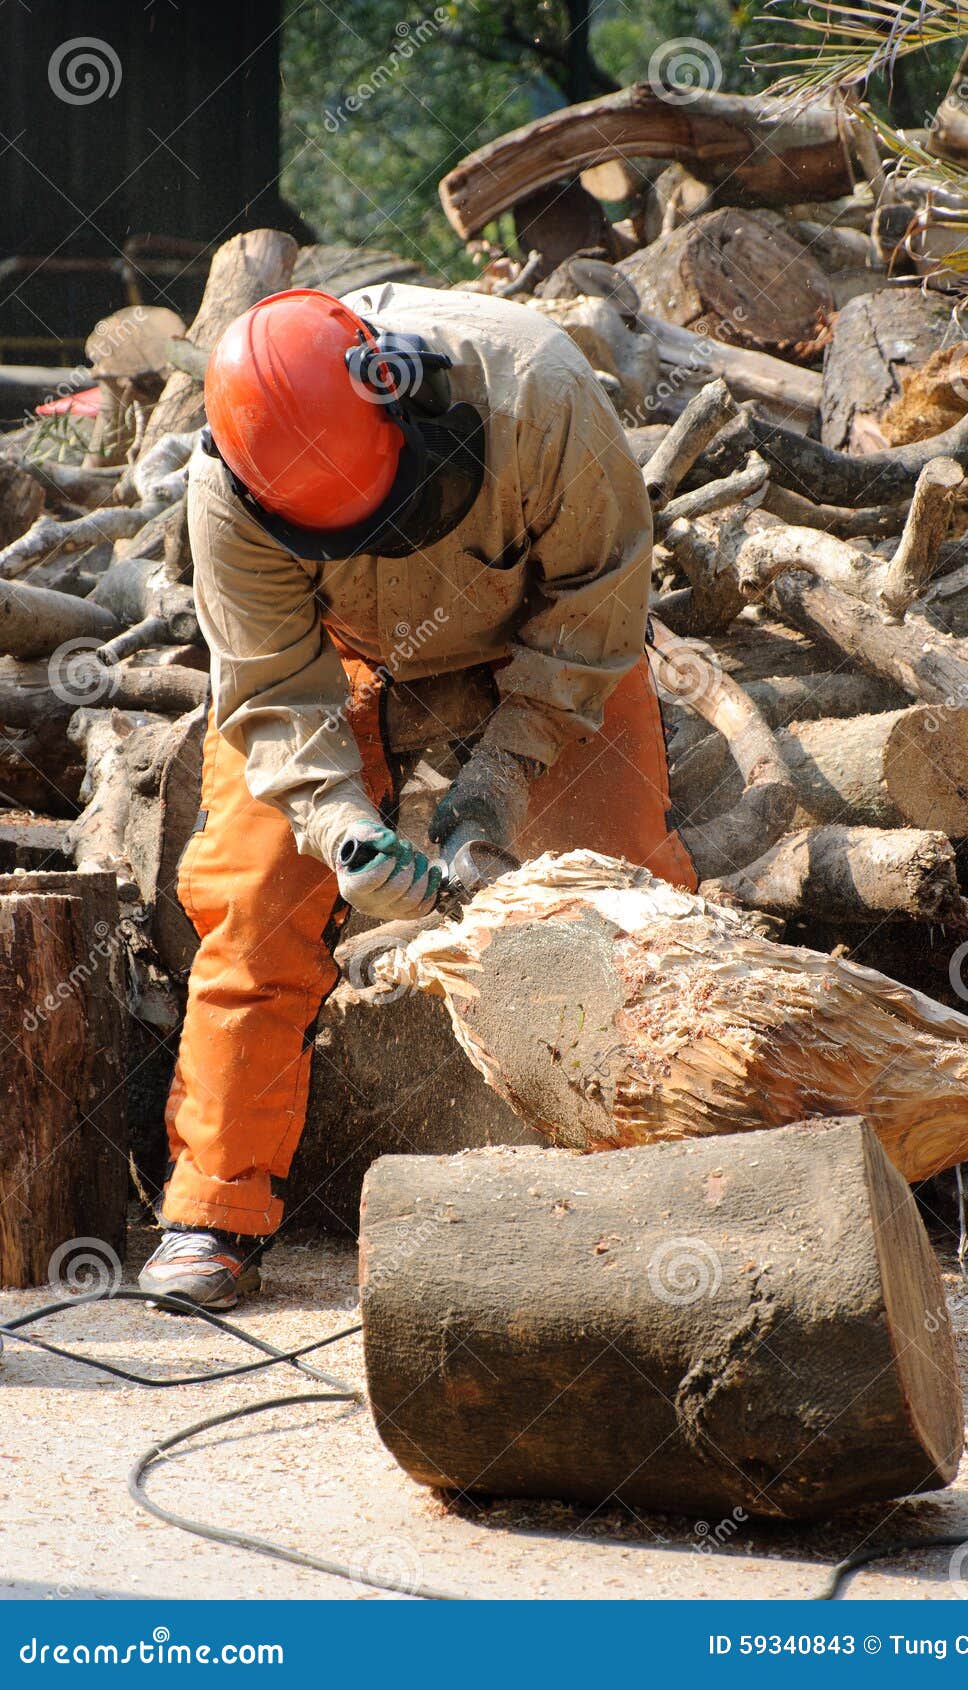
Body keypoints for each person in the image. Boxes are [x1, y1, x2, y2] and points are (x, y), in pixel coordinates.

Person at [138, 283, 697, 1309]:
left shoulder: (541, 394)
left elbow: (598, 609)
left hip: (546, 643)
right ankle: (215, 1208)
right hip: (342, 660)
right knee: (253, 894)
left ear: (404, 396)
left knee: (630, 890)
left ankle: (670, 1183)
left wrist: (496, 784)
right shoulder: (227, 487)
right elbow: (270, 685)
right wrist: (343, 827)